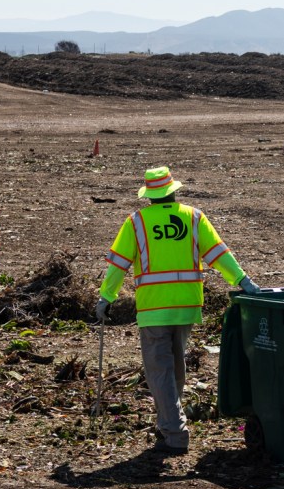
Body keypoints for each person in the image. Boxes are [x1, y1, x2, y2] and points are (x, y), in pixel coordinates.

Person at [95, 166, 256, 457]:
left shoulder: (137, 222)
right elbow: (219, 254)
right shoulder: (193, 217)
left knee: (159, 370)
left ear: (149, 196)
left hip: (155, 307)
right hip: (187, 306)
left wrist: (106, 297)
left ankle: (175, 432)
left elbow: (118, 264)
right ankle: (168, 423)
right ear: (173, 190)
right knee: (175, 367)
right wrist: (243, 281)